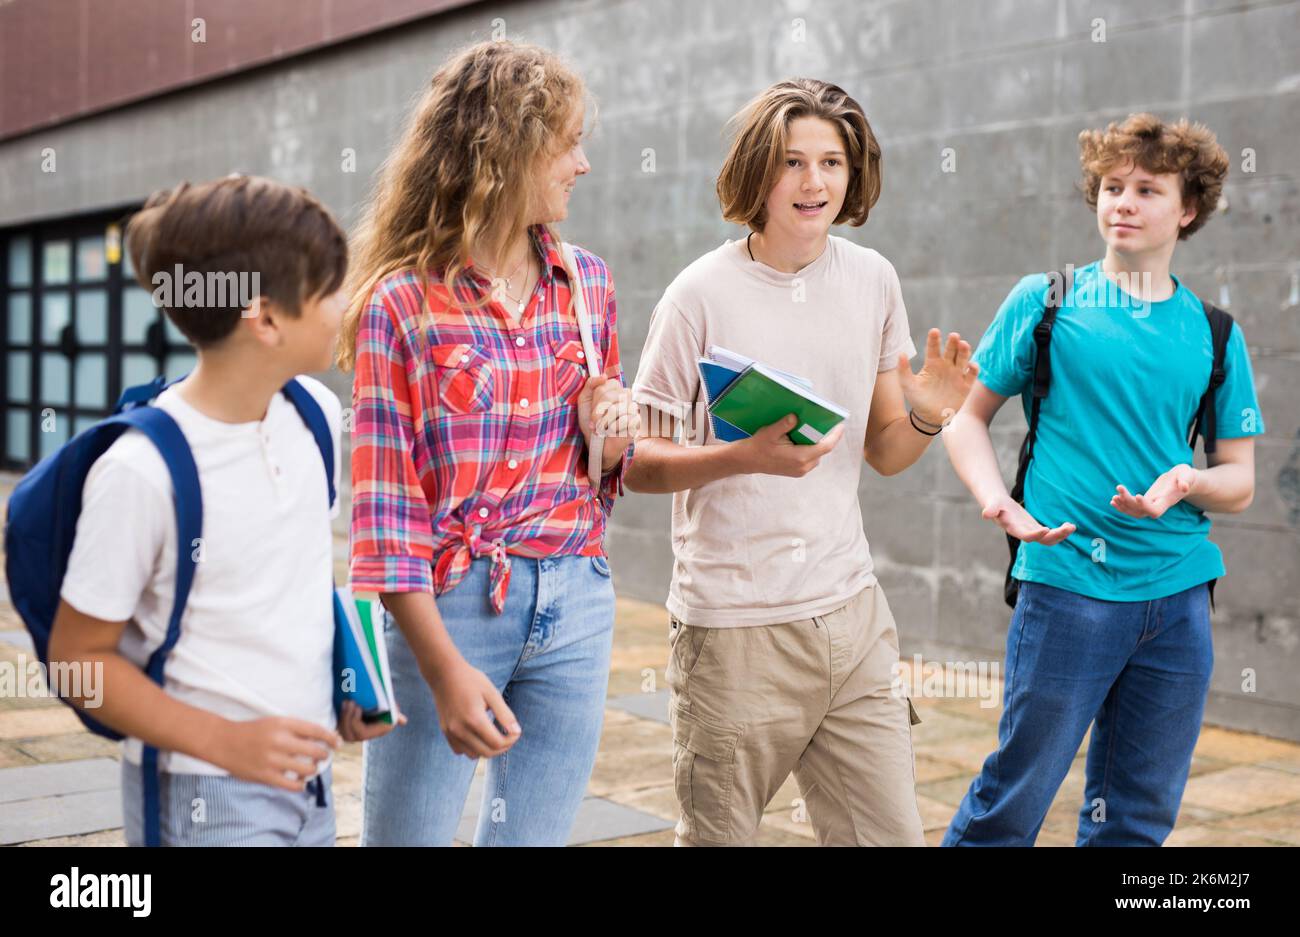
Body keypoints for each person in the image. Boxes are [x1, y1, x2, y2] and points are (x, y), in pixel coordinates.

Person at [625, 78, 978, 846]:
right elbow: (635, 461)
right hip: (735, 633)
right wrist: (741, 456)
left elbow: (885, 451)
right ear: (759, 171)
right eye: (792, 162)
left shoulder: (873, 279)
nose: (814, 182)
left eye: (833, 163)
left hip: (852, 617)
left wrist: (928, 409)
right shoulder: (698, 295)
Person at [339, 40, 639, 846]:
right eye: (566, 143)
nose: (581, 164)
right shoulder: (399, 304)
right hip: (449, 606)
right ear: (505, 150)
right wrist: (441, 667)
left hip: (578, 594)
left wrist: (612, 426)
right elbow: (384, 519)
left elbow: (605, 468)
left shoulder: (589, 285)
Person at [940, 113, 1263, 846]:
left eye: (1147, 189)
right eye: (1112, 186)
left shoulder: (1215, 332)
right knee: (1011, 800)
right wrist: (1000, 502)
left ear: (1187, 209)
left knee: (1138, 816)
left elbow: (1238, 480)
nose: (1123, 201)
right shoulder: (1047, 300)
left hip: (1179, 598)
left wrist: (1187, 478)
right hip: (1067, 586)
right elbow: (965, 417)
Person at [49, 174, 391, 846]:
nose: (345, 303)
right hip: (203, 791)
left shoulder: (317, 417)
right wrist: (228, 743)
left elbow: (288, 580)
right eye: (330, 289)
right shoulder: (141, 471)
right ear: (264, 317)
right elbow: (75, 661)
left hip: (312, 774)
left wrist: (343, 685)